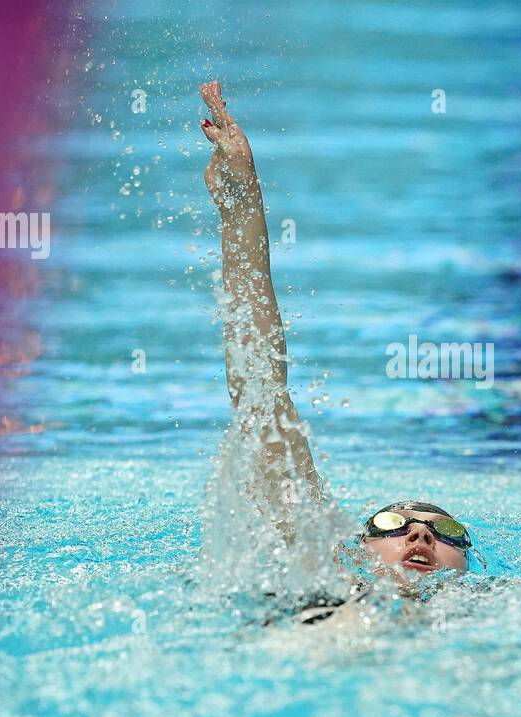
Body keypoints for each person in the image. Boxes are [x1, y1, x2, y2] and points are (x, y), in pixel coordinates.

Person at [197, 80, 474, 594]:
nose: (420, 532)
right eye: (392, 526)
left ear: (469, 563)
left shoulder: (512, 607)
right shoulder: (326, 573)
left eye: (447, 531)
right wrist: (240, 208)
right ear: (355, 545)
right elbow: (261, 391)